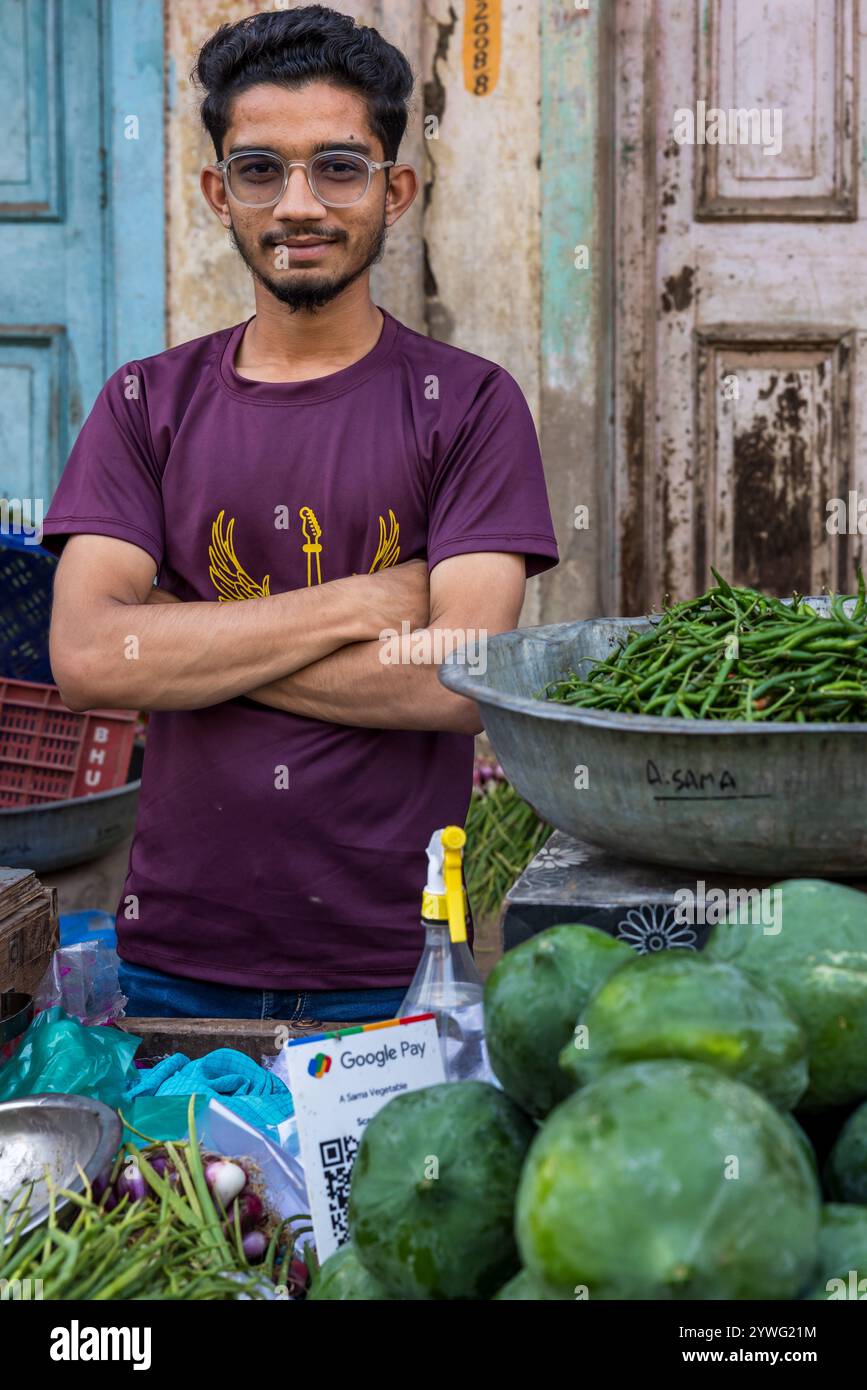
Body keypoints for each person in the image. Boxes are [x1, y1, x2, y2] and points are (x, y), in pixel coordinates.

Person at [42, 5, 559, 1023]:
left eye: (338, 166)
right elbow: (91, 660)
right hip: (175, 953)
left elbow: (461, 678)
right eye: (260, 170)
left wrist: (192, 651)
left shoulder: (470, 405)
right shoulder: (148, 404)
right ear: (215, 192)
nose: (299, 205)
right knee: (187, 1187)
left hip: (397, 959)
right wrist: (366, 602)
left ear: (394, 190)